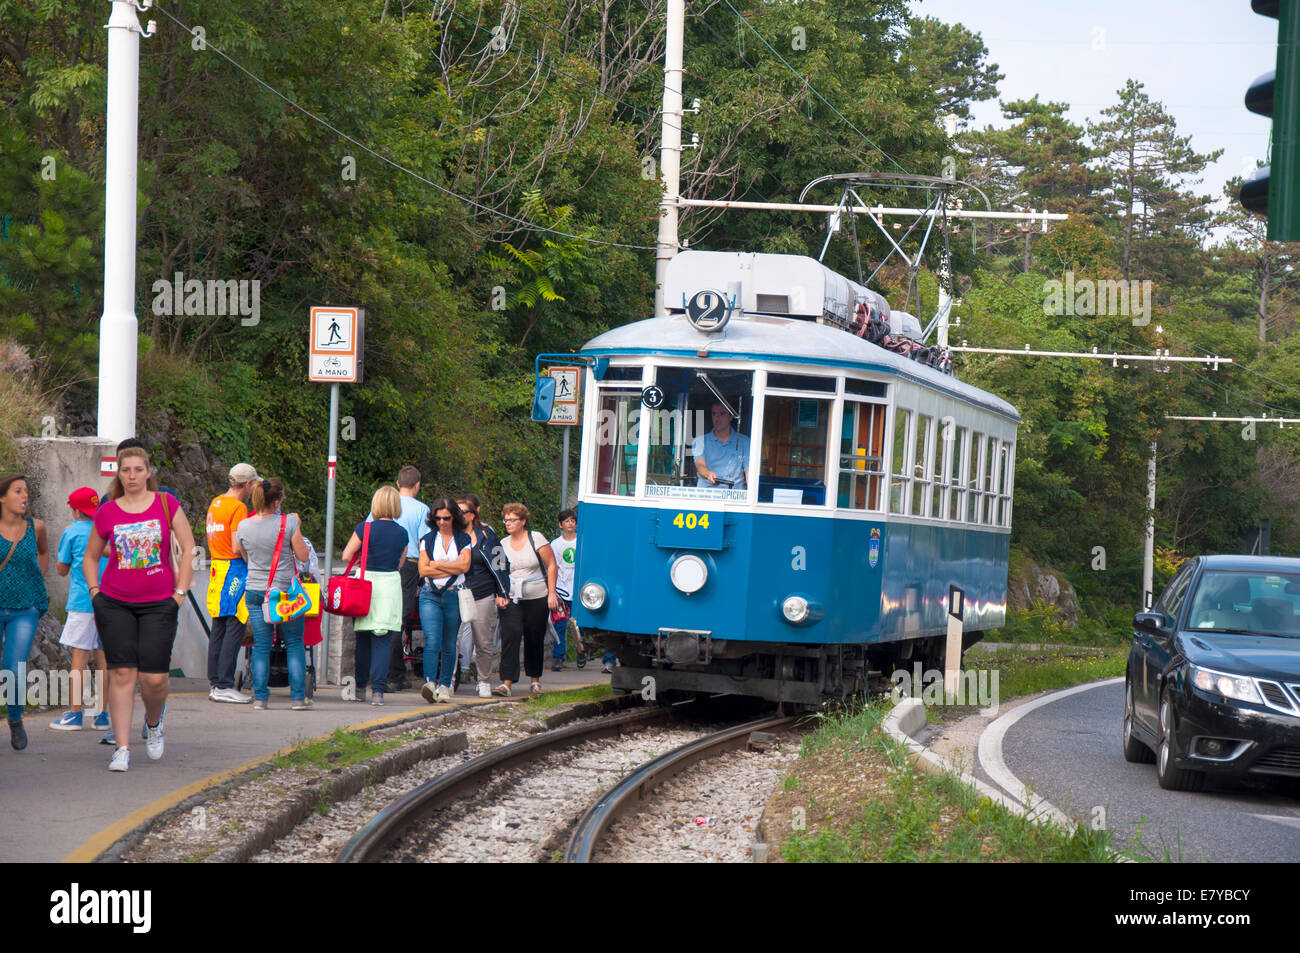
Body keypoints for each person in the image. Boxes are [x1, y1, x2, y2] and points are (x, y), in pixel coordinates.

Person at [84, 447, 197, 772]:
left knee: (155, 679)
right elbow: (91, 556)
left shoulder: (166, 504)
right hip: (115, 602)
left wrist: (180, 592)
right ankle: (121, 748)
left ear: (148, 472)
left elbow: (189, 548)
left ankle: (152, 722)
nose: (132, 476)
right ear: (118, 474)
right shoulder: (107, 512)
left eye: (138, 469)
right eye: (126, 470)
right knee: (121, 673)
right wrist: (95, 594)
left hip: (159, 603)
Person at [234, 479, 311, 710]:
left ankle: (260, 698)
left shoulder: (244, 526)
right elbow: (304, 556)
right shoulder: (288, 523)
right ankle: (298, 699)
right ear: (277, 501)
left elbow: (242, 553)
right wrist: (296, 526)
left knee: (261, 646)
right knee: (295, 643)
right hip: (285, 593)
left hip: (256, 591)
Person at [49, 487, 110, 731]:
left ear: (74, 510)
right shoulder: (106, 530)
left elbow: (62, 569)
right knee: (105, 658)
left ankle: (75, 714)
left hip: (83, 602)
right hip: (109, 601)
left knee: (79, 657)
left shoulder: (71, 532)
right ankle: (102, 715)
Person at [341, 486, 407, 706]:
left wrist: (362, 559)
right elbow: (400, 562)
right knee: (383, 640)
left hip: (365, 586)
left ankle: (360, 689)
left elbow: (346, 555)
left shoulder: (364, 528)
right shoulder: (402, 533)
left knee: (363, 639)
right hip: (389, 587)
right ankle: (378, 692)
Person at [0, 474, 49, 751]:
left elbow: (44, 553)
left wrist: (37, 579)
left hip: (25, 607)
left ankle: (15, 720)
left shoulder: (36, 527)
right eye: (18, 491)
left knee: (14, 668)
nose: (24, 496)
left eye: (26, 491)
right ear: (3, 497)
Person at [205, 463, 258, 704]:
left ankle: (215, 681)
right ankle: (225, 684)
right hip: (234, 569)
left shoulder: (216, 502)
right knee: (235, 623)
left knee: (219, 625)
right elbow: (237, 545)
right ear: (246, 485)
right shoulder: (238, 507)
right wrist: (252, 562)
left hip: (217, 568)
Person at [375, 466, 429, 692]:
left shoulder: (383, 504)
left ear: (397, 483)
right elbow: (424, 543)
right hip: (409, 565)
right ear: (417, 485)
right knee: (399, 619)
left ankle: (388, 672)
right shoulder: (422, 509)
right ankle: (393, 675)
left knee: (382, 617)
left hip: (380, 563)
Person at [496, 503, 558, 697]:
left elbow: (552, 565)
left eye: (512, 519)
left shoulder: (536, 538)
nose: (508, 523)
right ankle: (506, 683)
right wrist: (499, 594)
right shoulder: (502, 544)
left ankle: (535, 680)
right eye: (506, 520)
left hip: (537, 595)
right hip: (511, 597)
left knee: (534, 637)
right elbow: (497, 573)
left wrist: (552, 593)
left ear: (523, 521)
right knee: (510, 636)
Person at [417, 497, 471, 704]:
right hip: (430, 594)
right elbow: (423, 569)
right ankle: (430, 683)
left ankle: (445, 686)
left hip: (454, 594)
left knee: (449, 643)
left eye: (446, 518)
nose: (442, 522)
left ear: (454, 517)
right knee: (431, 639)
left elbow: (464, 567)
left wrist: (435, 564)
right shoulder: (427, 539)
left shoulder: (463, 539)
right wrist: (452, 565)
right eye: (438, 518)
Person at [457, 495, 507, 697]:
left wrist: (502, 591)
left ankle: (484, 680)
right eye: (456, 512)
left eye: (464, 512)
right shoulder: (448, 536)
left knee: (483, 641)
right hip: (457, 593)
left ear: (473, 514)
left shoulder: (487, 536)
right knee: (454, 640)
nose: (460, 516)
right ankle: (449, 681)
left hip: (483, 593)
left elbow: (501, 563)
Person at [547, 509, 577, 672]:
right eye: (567, 521)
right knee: (559, 624)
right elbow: (554, 567)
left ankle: (582, 652)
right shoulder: (555, 544)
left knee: (580, 627)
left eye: (573, 520)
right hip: (561, 590)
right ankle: (559, 657)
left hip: (578, 591)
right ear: (560, 524)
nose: (570, 523)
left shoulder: (582, 542)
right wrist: (553, 590)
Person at [693, 402, 749, 488]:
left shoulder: (745, 441)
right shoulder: (699, 441)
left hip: (735, 498)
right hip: (707, 496)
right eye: (714, 414)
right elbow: (700, 465)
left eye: (722, 414)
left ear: (731, 416)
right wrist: (708, 474)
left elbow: (749, 472)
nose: (717, 418)